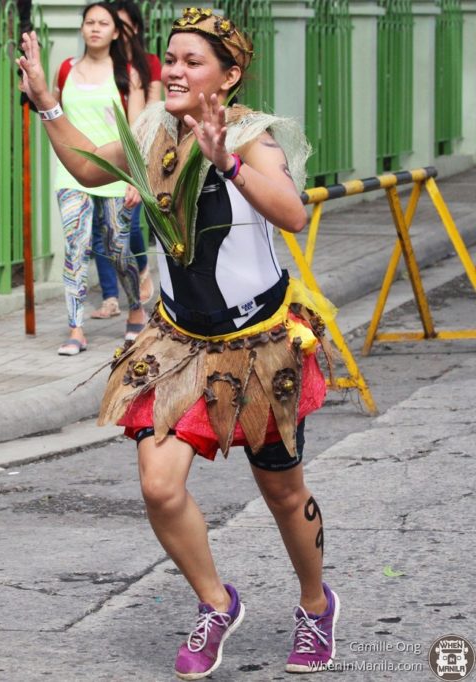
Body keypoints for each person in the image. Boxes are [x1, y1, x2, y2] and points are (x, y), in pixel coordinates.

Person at [17, 7, 340, 679]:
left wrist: (228, 163)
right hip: (179, 343)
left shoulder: (251, 136)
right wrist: (48, 104)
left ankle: (314, 604)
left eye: (193, 61)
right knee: (159, 487)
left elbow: (293, 211)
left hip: (260, 346)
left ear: (230, 74)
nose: (175, 70)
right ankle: (216, 602)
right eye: (171, 58)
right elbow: (90, 166)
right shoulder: (152, 130)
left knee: (283, 494)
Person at [52, 2, 146, 356]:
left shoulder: (129, 75)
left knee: (118, 248)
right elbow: (56, 118)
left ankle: (136, 307)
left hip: (116, 174)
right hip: (71, 173)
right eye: (89, 22)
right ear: (81, 29)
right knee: (75, 248)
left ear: (116, 32)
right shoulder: (66, 70)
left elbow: (137, 132)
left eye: (102, 23)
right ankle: (76, 329)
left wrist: (135, 179)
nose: (94, 28)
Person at [90, 0, 160, 320]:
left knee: (126, 224)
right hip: (103, 152)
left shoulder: (148, 64)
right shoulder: (101, 65)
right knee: (100, 228)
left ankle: (141, 265)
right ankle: (109, 296)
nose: (119, 32)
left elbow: (154, 110)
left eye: (124, 25)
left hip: (136, 149)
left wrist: (142, 152)